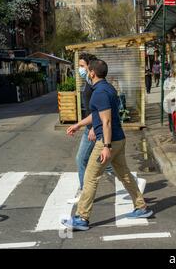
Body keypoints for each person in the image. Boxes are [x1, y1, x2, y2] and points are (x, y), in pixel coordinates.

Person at [62, 60, 153, 231]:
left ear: (92, 73)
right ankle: (141, 207)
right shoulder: (107, 88)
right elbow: (97, 115)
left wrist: (106, 146)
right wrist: (78, 125)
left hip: (107, 140)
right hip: (118, 139)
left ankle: (82, 217)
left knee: (90, 177)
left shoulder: (100, 93)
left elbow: (107, 122)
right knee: (124, 174)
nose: (85, 72)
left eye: (86, 70)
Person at [68, 53, 113, 205]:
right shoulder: (89, 82)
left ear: (90, 68)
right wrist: (79, 125)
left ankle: (84, 193)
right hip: (91, 126)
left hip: (94, 128)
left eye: (82, 66)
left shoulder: (95, 85)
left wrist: (93, 127)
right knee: (105, 163)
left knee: (82, 159)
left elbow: (101, 111)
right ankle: (134, 181)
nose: (80, 69)